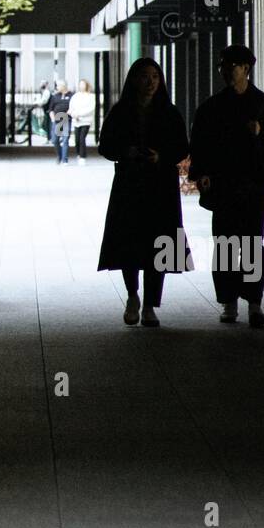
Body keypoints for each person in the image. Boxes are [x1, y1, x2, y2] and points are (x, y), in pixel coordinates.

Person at [189, 44, 264, 328]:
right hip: (226, 186)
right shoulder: (212, 108)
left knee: (250, 244)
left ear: (246, 69)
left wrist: (263, 133)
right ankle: (230, 301)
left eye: (232, 66)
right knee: (227, 244)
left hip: (252, 184)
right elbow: (199, 147)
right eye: (223, 65)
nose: (226, 71)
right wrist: (201, 174)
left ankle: (253, 302)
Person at [97, 58, 191, 328]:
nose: (150, 83)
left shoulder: (169, 113)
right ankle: (132, 296)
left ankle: (150, 304)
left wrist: (160, 156)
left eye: (155, 77)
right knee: (129, 242)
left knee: (160, 244)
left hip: (160, 186)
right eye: (145, 77)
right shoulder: (120, 111)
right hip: (130, 184)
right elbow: (106, 146)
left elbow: (182, 148)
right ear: (134, 80)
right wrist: (126, 152)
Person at [46, 81, 72, 164]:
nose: (57, 87)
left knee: (65, 140)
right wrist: (52, 118)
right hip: (56, 119)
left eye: (58, 86)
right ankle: (59, 155)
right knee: (55, 140)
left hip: (65, 119)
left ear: (63, 86)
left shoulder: (71, 96)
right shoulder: (55, 96)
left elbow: (74, 106)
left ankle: (64, 159)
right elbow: (51, 109)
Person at [69, 78, 93, 162]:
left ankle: (83, 156)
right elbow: (71, 107)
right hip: (76, 121)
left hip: (86, 121)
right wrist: (73, 114)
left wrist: (80, 114)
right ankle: (78, 153)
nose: (81, 86)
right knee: (77, 139)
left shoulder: (90, 96)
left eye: (83, 84)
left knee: (82, 138)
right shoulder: (76, 96)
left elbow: (90, 108)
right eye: (80, 84)